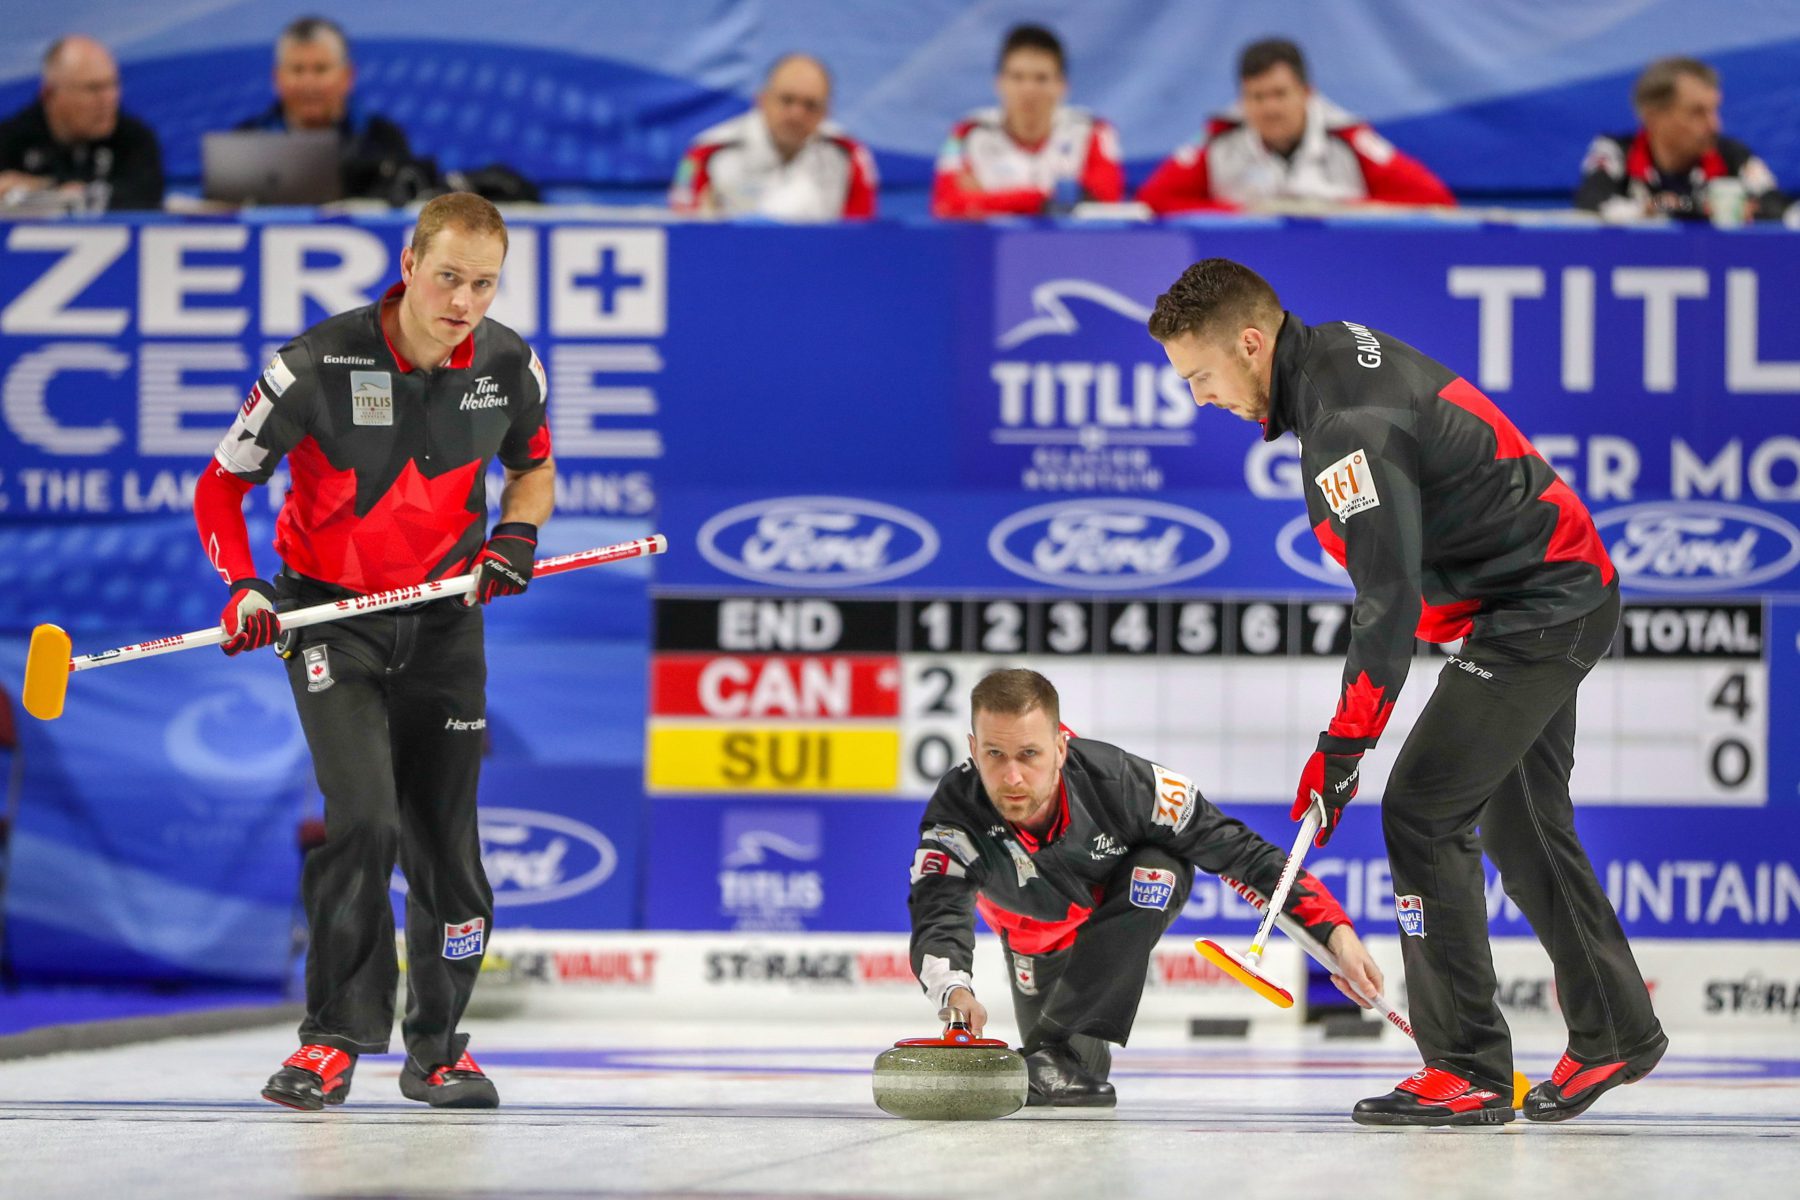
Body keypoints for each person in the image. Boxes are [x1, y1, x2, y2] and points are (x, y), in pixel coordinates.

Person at [1147, 259, 1666, 1127]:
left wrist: (1341, 748)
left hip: (1541, 605)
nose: (1200, 398)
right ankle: (1615, 1029)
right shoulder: (1326, 365)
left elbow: (1387, 610)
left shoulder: (1344, 424)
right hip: (1549, 590)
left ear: (1249, 342)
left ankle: (1463, 1066)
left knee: (1422, 811)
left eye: (1200, 377)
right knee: (1517, 817)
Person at [193, 192, 555, 1111]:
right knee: (364, 820)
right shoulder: (312, 364)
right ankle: (332, 1044)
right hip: (327, 621)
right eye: (448, 277)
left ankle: (438, 1051)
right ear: (407, 264)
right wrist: (242, 586)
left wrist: (514, 537)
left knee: (448, 851)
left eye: (483, 283)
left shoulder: (509, 365)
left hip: (444, 623)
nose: (465, 301)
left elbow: (533, 468)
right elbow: (218, 489)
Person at [907, 668, 1380, 1107]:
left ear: (1061, 745)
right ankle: (1057, 1050)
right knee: (1075, 1084)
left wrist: (1335, 931)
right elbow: (938, 909)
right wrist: (952, 991)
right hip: (1036, 938)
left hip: (1114, 917)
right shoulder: (956, 812)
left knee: (1160, 868)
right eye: (995, 754)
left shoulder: (1125, 783)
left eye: (1029, 754)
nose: (1012, 777)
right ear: (973, 748)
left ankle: (1056, 1044)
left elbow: (1245, 855)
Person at [1137, 38, 1452, 214]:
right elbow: (1152, 202)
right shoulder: (1219, 140)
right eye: (1256, 97)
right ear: (1242, 99)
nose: (1269, 108)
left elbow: (1434, 199)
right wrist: (1240, 213)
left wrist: (1340, 211)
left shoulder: (1348, 137)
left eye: (1280, 94)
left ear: (1307, 94)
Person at [931, 24, 1124, 219]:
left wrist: (986, 201)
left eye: (1041, 78)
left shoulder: (1093, 131)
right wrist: (1043, 200)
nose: (1028, 90)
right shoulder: (966, 133)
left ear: (1062, 86)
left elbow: (1105, 206)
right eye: (1017, 77)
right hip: (992, 248)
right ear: (999, 83)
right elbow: (946, 206)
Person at [1575, 56, 1792, 223]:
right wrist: (1658, 207)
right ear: (1653, 116)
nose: (1715, 125)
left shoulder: (1732, 155)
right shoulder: (1615, 152)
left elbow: (1777, 207)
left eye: (1714, 110)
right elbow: (1590, 204)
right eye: (1697, 112)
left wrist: (1685, 208)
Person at [669, 54, 877, 220]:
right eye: (787, 100)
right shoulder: (704, 152)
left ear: (827, 112)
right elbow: (683, 227)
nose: (797, 114)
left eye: (811, 105)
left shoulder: (851, 156)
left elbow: (859, 241)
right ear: (762, 99)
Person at [233, 16, 416, 201]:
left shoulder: (383, 140)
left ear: (347, 76)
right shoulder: (246, 142)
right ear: (277, 78)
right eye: (297, 70)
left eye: (320, 69)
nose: (308, 83)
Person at [0, 35, 163, 211]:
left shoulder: (134, 138)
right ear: (49, 94)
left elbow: (146, 195)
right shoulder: (10, 141)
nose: (108, 99)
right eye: (93, 88)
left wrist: (48, 188)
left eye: (113, 85)